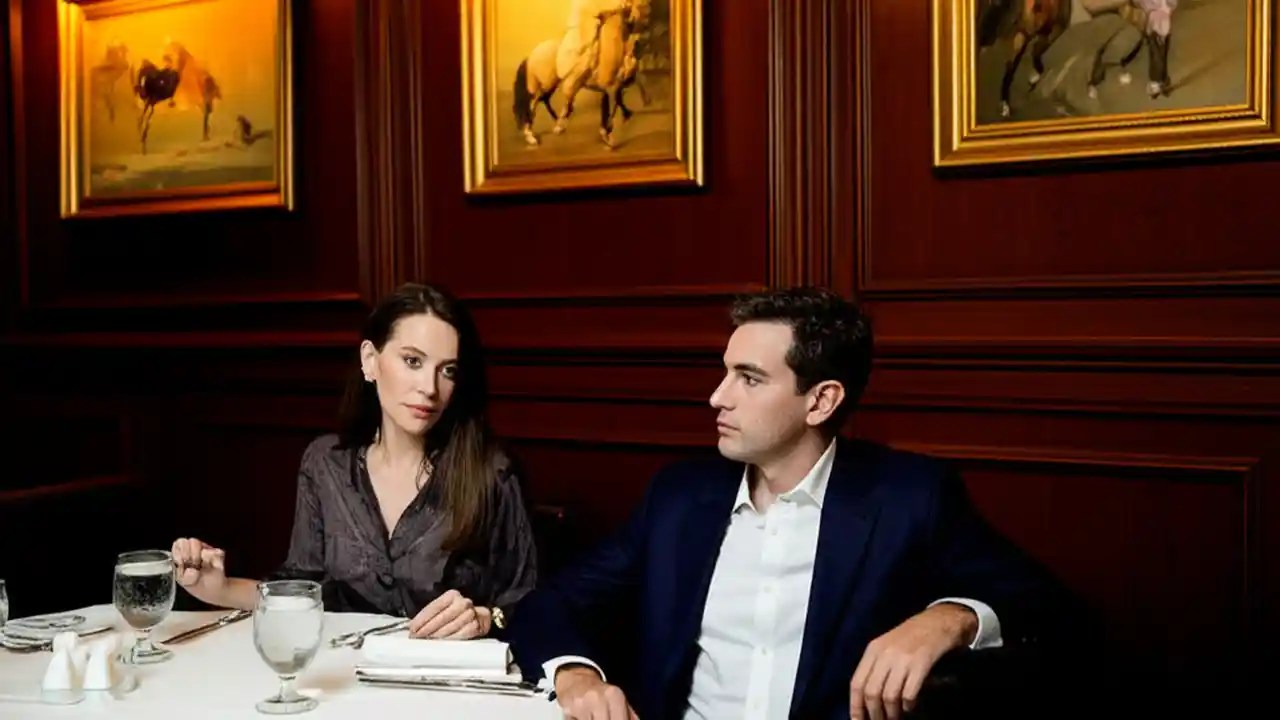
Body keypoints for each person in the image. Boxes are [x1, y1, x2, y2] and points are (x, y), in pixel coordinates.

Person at [510, 287, 1084, 719]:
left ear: (821, 401)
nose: (717, 396)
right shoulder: (681, 497)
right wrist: (577, 677)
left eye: (749, 379)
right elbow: (552, 604)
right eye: (725, 372)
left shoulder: (908, 497)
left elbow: (1049, 606)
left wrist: (947, 619)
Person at [172, 283, 538, 640]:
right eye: (412, 361)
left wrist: (486, 618)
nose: (430, 387)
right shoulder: (325, 464)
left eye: (448, 370)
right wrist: (218, 590)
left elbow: (530, 601)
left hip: (447, 682)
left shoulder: (492, 473)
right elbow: (304, 588)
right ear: (370, 361)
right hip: (349, 676)